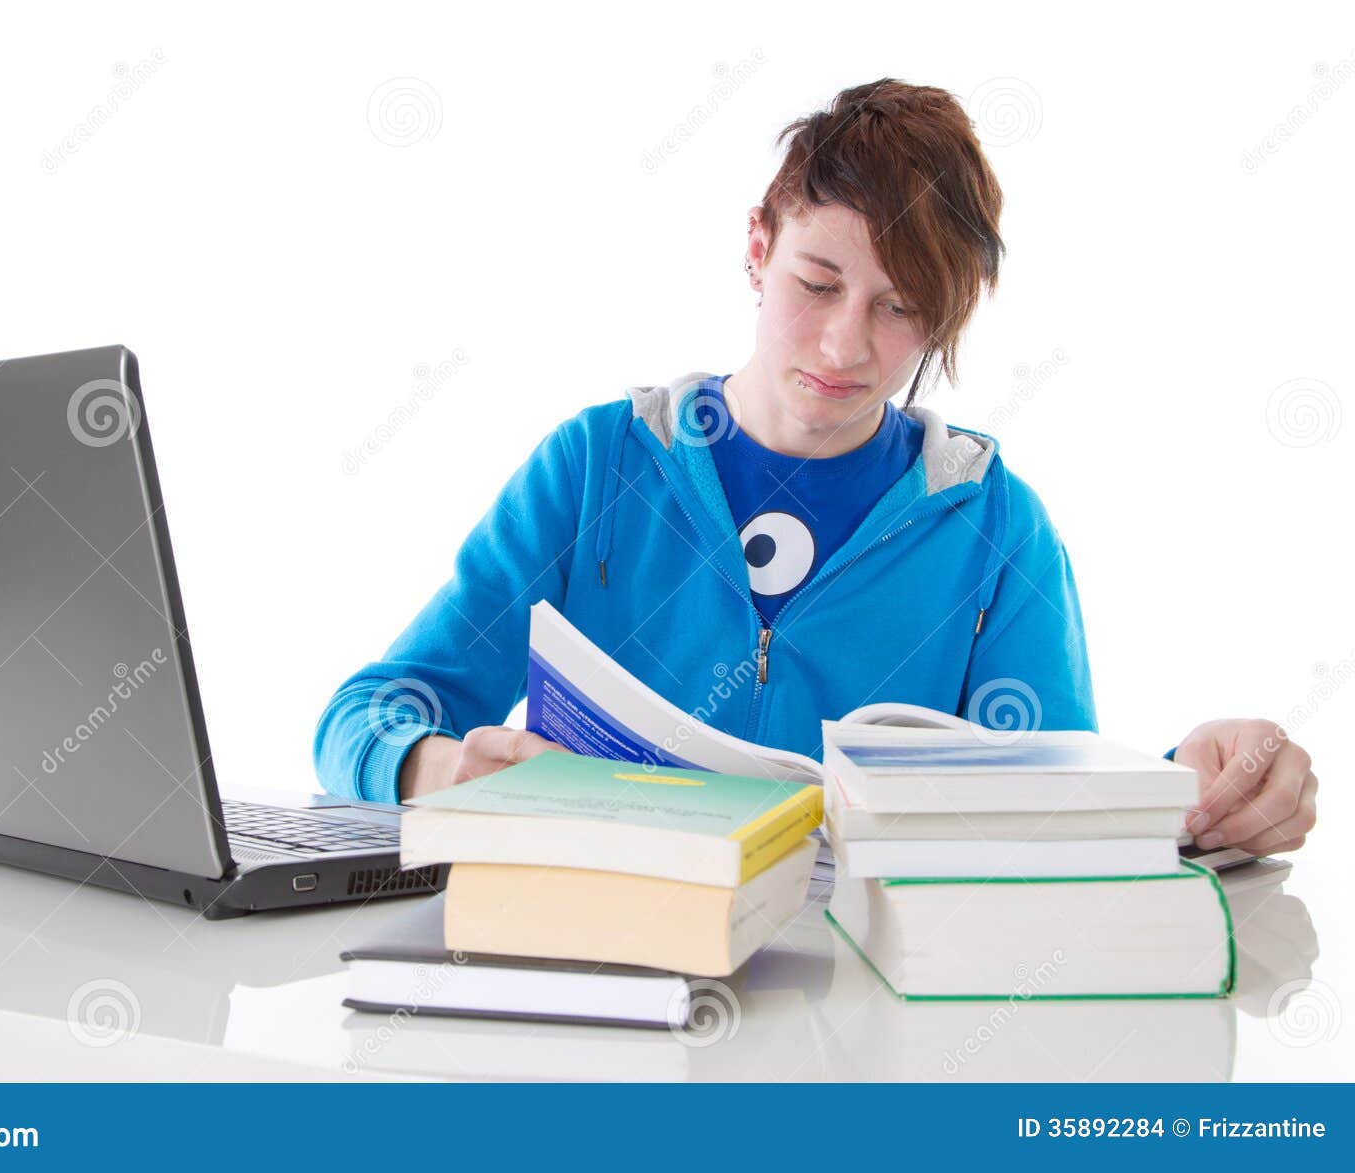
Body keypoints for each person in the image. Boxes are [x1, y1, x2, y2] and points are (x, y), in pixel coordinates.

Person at [313, 79, 1317, 858]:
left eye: (899, 307)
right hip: (610, 984)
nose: (844, 347)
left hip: (860, 1015)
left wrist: (1196, 789)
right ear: (759, 245)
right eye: (818, 282)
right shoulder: (594, 468)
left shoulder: (995, 527)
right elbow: (365, 714)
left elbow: (1058, 813)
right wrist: (434, 771)